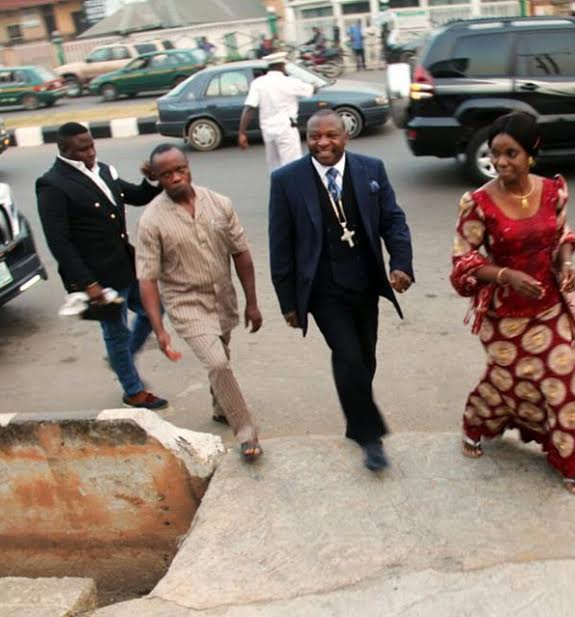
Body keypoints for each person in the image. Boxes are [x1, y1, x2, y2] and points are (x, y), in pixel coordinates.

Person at [450, 112, 575, 495]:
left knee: (563, 381)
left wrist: (566, 264)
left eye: (511, 153)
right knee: (507, 381)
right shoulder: (478, 203)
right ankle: (476, 422)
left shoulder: (552, 191)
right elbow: (463, 260)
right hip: (503, 319)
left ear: (532, 153)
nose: (501, 162)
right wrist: (504, 275)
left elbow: (562, 233)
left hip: (549, 310)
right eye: (496, 154)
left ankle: (572, 460)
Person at [268, 109, 413, 472]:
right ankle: (370, 438)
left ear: (346, 136)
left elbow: (393, 220)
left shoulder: (371, 170)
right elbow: (280, 244)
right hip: (322, 291)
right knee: (348, 356)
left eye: (331, 135)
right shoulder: (287, 180)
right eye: (315, 136)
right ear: (307, 138)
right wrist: (288, 301)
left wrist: (400, 263)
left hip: (365, 284)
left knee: (365, 358)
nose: (322, 143)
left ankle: (355, 421)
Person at [136, 144, 263, 461]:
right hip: (186, 303)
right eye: (167, 174)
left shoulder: (219, 203)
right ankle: (246, 432)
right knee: (218, 362)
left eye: (180, 169)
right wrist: (159, 328)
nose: (176, 177)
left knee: (221, 352)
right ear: (156, 178)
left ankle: (221, 406)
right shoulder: (151, 220)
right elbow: (147, 279)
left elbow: (241, 254)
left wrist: (252, 302)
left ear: (188, 167)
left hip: (223, 297)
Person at [36, 122, 167, 410]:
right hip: (98, 276)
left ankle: (122, 358)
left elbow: (136, 196)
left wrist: (153, 181)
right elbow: (59, 242)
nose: (90, 152)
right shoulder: (52, 184)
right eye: (82, 149)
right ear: (65, 150)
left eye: (92, 145)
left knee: (153, 310)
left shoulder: (104, 171)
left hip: (125, 264)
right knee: (116, 331)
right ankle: (133, 390)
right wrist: (88, 284)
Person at [238, 52, 315, 172]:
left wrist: (242, 133)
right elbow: (311, 90)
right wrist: (316, 84)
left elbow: (249, 108)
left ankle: (278, 189)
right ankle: (292, 190)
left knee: (275, 167)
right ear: (283, 66)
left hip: (268, 131)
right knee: (293, 166)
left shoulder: (258, 83)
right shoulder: (290, 82)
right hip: (286, 129)